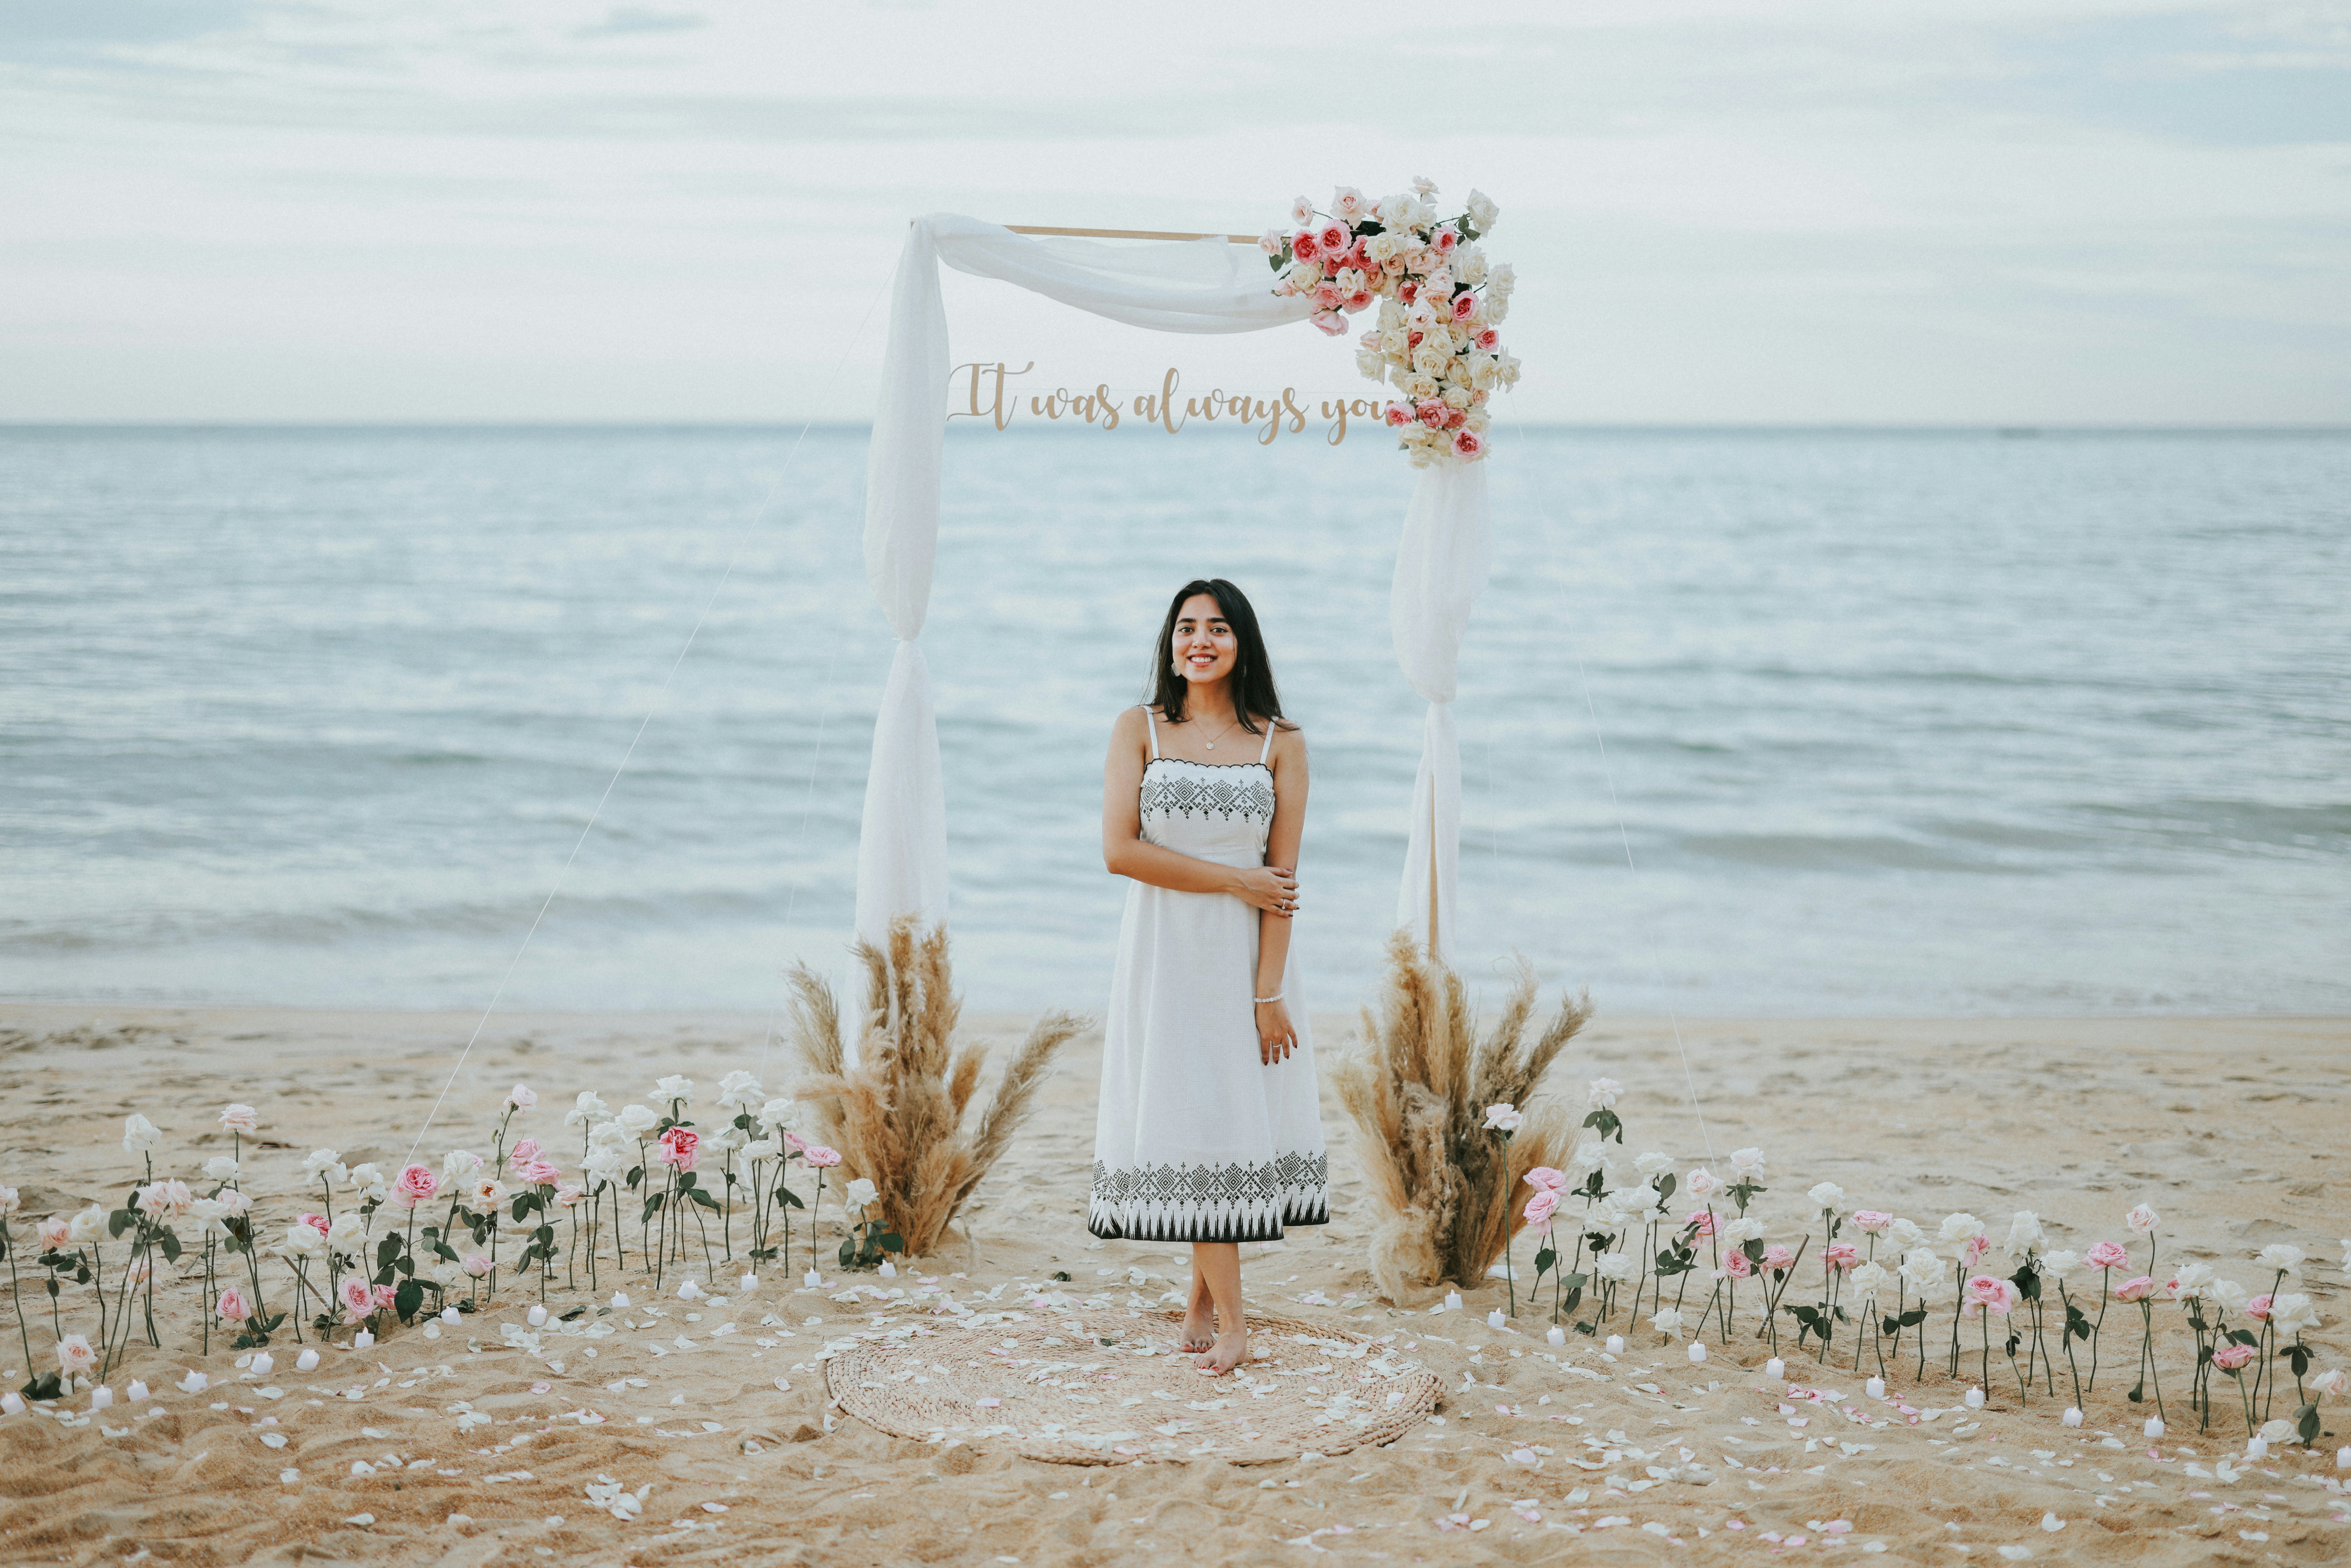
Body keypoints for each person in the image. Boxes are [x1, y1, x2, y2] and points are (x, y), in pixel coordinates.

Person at [1087, 577, 1329, 1374]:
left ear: (1242, 643)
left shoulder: (1280, 744)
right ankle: (1231, 1319)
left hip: (1246, 963)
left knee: (1225, 1118)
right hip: (1164, 956)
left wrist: (1268, 993)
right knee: (1193, 1116)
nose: (1200, 640)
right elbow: (1121, 852)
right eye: (1186, 627)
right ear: (1170, 643)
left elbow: (1283, 884)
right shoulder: (1140, 729)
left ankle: (1206, 1303)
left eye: (1217, 628)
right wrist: (1233, 878)